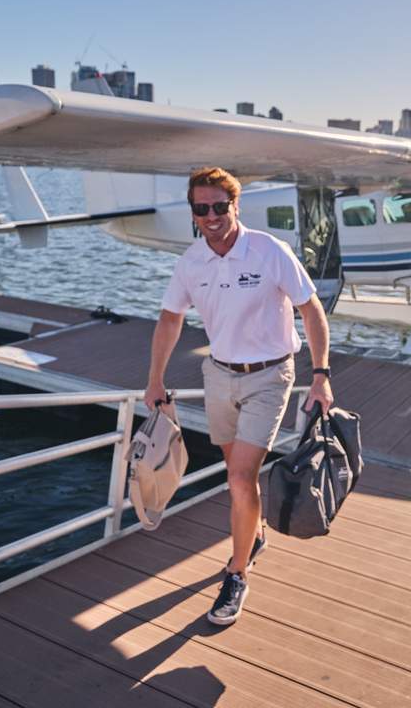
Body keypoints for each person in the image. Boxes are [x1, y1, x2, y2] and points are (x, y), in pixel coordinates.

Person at [143, 166, 333, 627]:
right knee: (234, 472)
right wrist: (155, 379)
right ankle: (257, 532)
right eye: (200, 208)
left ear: (236, 206)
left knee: (240, 479)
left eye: (218, 206)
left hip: (270, 376)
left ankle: (237, 572)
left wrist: (322, 374)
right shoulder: (191, 261)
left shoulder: (269, 251)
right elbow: (171, 319)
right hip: (219, 376)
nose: (210, 216)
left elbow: (311, 309)